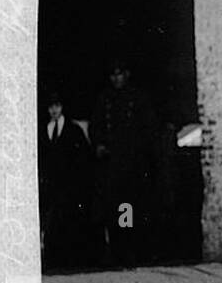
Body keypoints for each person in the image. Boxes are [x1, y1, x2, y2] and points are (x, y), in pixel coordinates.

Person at [90, 58, 159, 268]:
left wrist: (138, 151)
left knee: (129, 208)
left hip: (132, 165)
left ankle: (131, 252)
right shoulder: (105, 100)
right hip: (112, 166)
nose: (116, 78)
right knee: (113, 209)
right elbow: (95, 126)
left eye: (119, 74)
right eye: (113, 75)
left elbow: (148, 129)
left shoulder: (137, 99)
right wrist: (99, 143)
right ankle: (117, 251)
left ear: (127, 75)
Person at [38, 89, 91, 270]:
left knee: (70, 224)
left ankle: (71, 262)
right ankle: (54, 262)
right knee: (52, 225)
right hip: (51, 186)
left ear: (62, 107)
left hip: (70, 187)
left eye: (57, 106)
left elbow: (83, 158)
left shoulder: (73, 129)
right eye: (51, 107)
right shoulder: (44, 130)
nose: (54, 110)